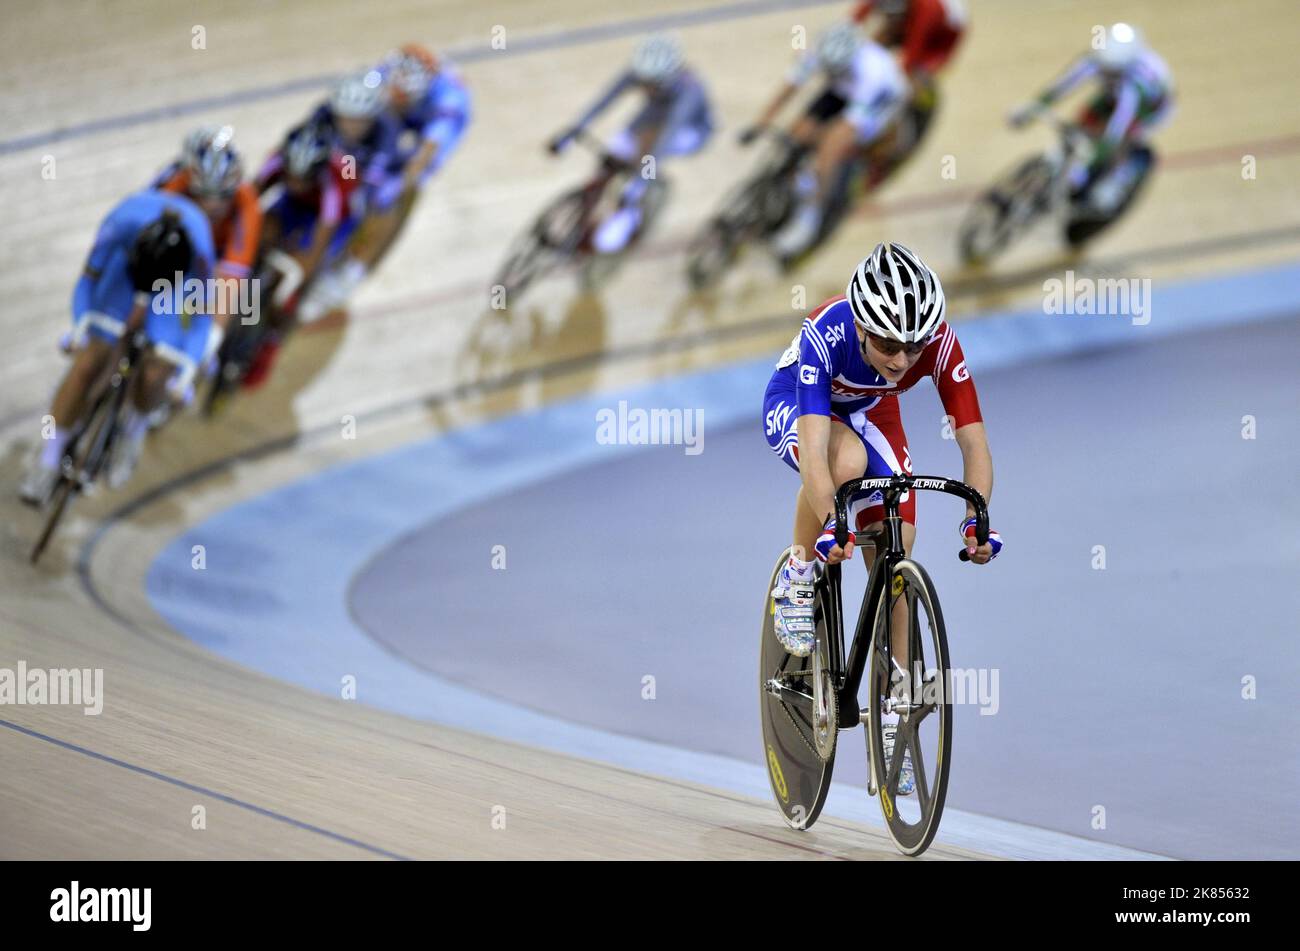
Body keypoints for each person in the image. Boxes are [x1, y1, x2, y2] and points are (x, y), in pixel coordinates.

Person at [761, 242, 1001, 792]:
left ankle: (893, 708)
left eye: (913, 347)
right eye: (889, 344)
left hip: (870, 410)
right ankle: (799, 577)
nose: (901, 359)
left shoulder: (937, 343)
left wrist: (976, 516)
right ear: (863, 327)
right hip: (802, 405)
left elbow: (975, 445)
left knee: (898, 548)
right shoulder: (829, 334)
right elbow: (818, 460)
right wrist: (832, 522)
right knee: (844, 464)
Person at [19, 194, 216, 504]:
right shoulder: (118, 225)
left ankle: (133, 432)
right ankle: (48, 459)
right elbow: (87, 282)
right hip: (123, 276)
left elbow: (201, 319)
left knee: (156, 371)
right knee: (88, 363)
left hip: (173, 288)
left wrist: (186, 370)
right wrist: (78, 329)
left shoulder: (200, 254)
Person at [741, 23, 909, 259]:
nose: (830, 70)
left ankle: (811, 216)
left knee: (829, 149)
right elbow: (790, 87)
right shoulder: (822, 51)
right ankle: (786, 181)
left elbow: (848, 125)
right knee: (795, 134)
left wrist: (820, 140)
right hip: (840, 91)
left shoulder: (872, 74)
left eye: (836, 69)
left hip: (878, 104)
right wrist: (761, 123)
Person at [547, 35, 714, 254]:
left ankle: (627, 215)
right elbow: (603, 101)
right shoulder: (639, 72)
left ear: (669, 75)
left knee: (645, 153)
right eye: (643, 81)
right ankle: (593, 202)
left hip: (690, 130)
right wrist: (572, 132)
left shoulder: (688, 92)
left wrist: (640, 178)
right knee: (618, 145)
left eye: (652, 84)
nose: (645, 86)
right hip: (655, 115)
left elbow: (664, 140)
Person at [1008, 22, 1173, 215]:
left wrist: (1085, 166)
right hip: (1114, 96)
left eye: (1111, 71)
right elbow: (1061, 87)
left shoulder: (1135, 86)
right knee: (1084, 121)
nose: (1104, 73)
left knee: (1120, 141)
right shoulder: (1097, 59)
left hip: (1149, 110)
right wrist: (1030, 110)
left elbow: (1114, 133)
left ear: (1126, 68)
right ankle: (1060, 166)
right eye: (1104, 68)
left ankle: (1117, 179)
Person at [245, 120, 358, 386]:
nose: (294, 182)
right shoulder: (276, 162)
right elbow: (248, 203)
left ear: (317, 174)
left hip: (331, 220)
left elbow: (315, 248)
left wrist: (296, 276)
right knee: (262, 233)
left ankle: (272, 341)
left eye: (301, 179)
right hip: (292, 206)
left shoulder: (334, 184)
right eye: (291, 176)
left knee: (298, 279)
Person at [295, 69, 403, 322]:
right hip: (333, 171)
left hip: (367, 176)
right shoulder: (322, 114)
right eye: (344, 118)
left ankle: (351, 270)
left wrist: (359, 196)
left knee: (381, 203)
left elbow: (375, 174)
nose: (350, 126)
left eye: (359, 120)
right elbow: (300, 142)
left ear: (372, 117)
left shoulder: (386, 129)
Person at [852, 0, 967, 160]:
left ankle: (898, 132)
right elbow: (854, 19)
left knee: (911, 80)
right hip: (912, 15)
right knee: (876, 46)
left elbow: (910, 57)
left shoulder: (928, 11)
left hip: (941, 40)